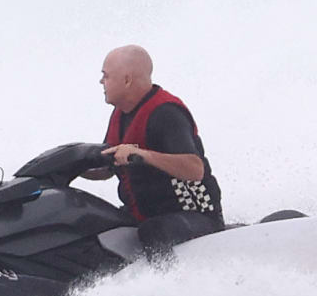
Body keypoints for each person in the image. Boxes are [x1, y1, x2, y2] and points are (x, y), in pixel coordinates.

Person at [95, 44, 225, 250]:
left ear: (127, 80)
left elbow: (195, 169)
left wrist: (142, 154)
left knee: (154, 231)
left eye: (106, 76)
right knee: (95, 223)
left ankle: (165, 273)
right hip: (145, 216)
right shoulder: (121, 114)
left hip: (196, 216)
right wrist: (71, 165)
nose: (101, 81)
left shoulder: (166, 112)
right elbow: (106, 168)